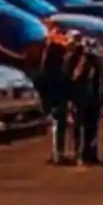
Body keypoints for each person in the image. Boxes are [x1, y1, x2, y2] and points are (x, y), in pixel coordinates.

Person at [40, 27, 72, 165]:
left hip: (56, 93)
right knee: (58, 125)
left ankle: (58, 153)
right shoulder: (56, 52)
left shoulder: (53, 52)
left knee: (58, 125)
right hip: (58, 93)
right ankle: (58, 153)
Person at [70, 41, 103, 165]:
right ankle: (78, 153)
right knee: (79, 127)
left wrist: (100, 101)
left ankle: (90, 153)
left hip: (92, 100)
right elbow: (72, 78)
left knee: (92, 128)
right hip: (80, 99)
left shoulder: (96, 64)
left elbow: (99, 82)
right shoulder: (75, 62)